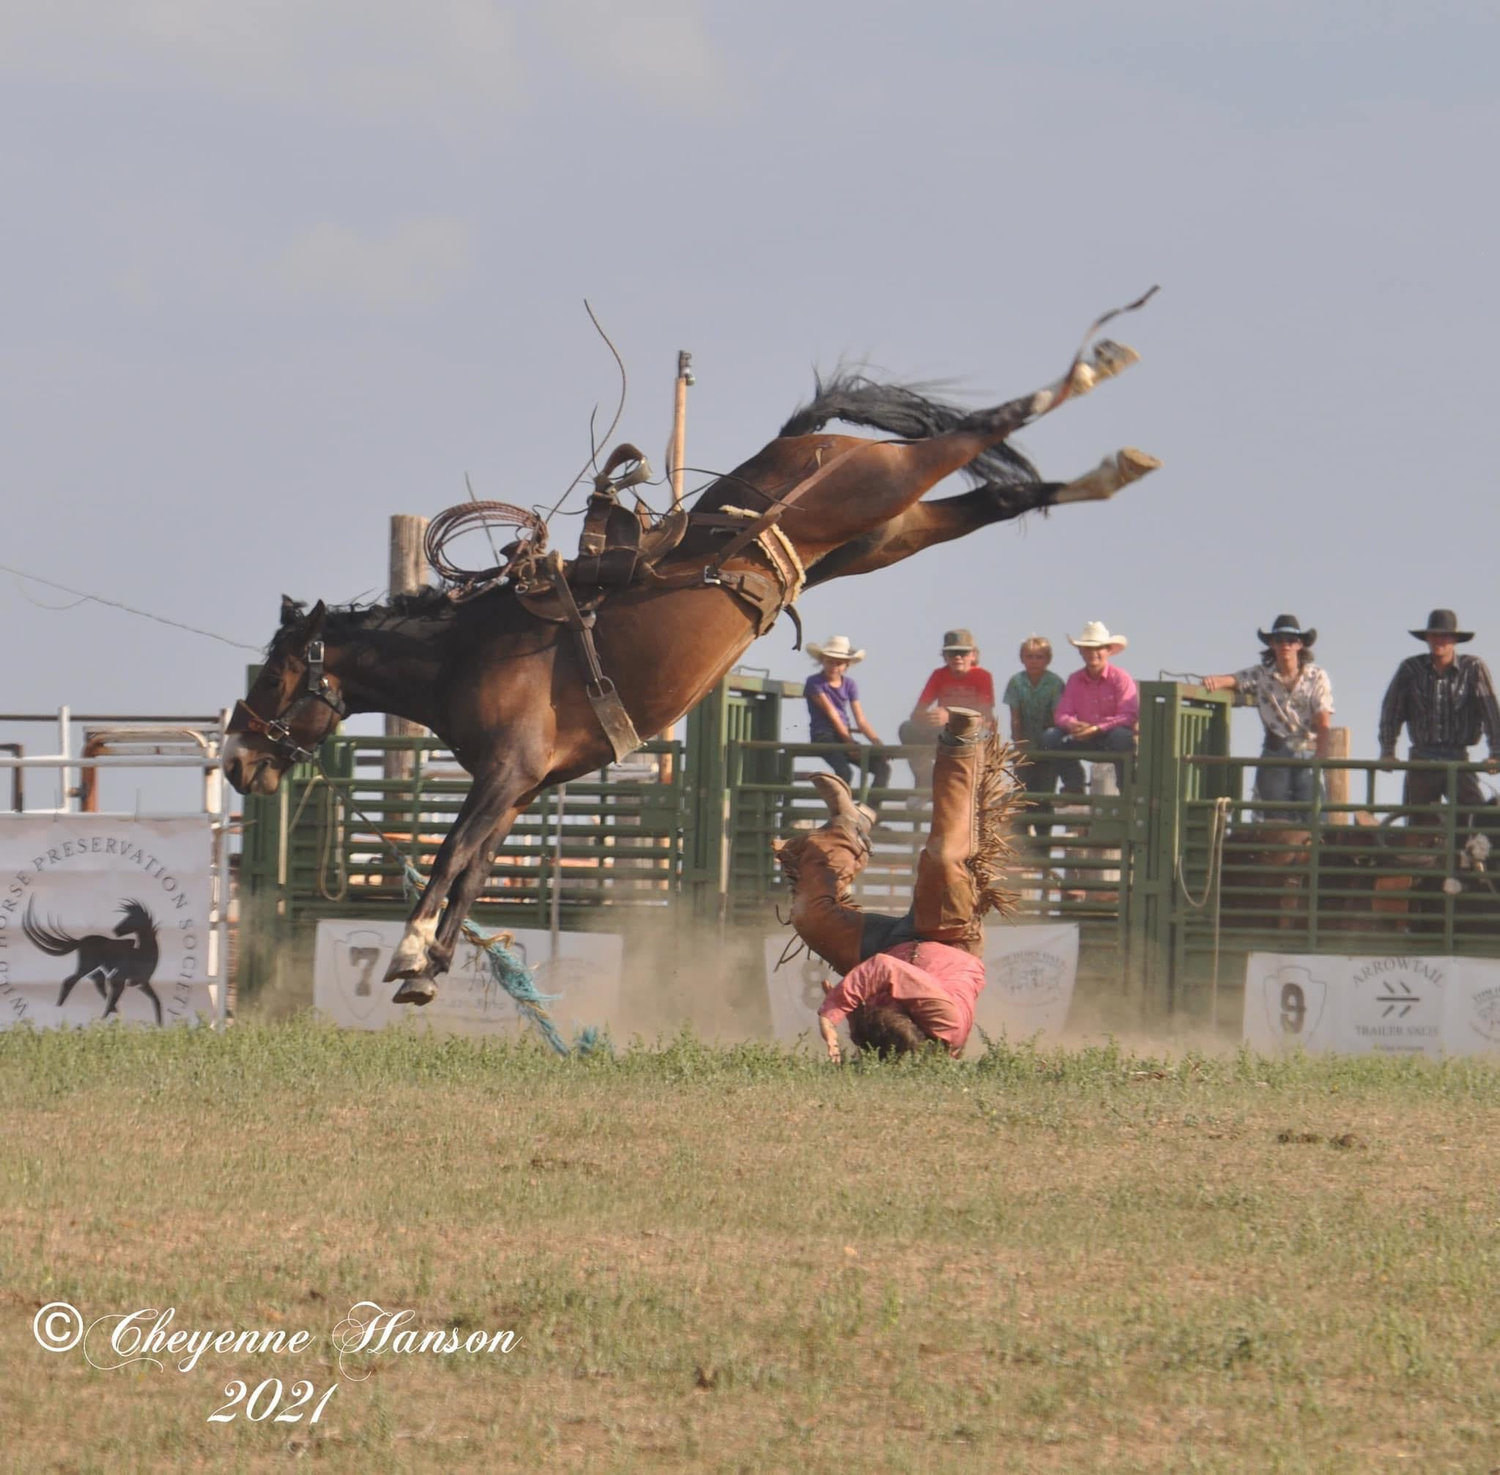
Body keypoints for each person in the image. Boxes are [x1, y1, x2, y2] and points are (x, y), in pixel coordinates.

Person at [771, 708, 1014, 1061]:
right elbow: (886, 971)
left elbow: (880, 984)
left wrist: (855, 1008)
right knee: (943, 858)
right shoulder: (947, 1026)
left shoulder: (889, 1038)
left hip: (884, 950)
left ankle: (846, 829)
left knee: (810, 916)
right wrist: (837, 1005)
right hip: (946, 937)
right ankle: (962, 745)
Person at [1201, 614, 1333, 820]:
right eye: (1280, 640)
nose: (1285, 645)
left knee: (1315, 819)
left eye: (1291, 640)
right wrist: (1214, 681)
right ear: (1272, 644)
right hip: (1276, 750)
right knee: (1274, 820)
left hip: (1308, 750)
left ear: (1300, 645)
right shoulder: (1261, 675)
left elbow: (1323, 716)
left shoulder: (1317, 676)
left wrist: (1321, 756)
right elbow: (1235, 679)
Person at [1378, 608, 1500, 814]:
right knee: (1417, 824)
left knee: (1476, 819)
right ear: (1427, 638)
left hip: (1458, 757)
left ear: (1454, 640)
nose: (1439, 640)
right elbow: (1391, 711)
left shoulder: (1473, 668)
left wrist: (1496, 753)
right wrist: (1387, 751)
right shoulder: (1411, 669)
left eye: (1444, 635)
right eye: (1434, 635)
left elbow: (1491, 713)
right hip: (1421, 758)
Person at [1039, 621, 1138, 790]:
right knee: (1050, 737)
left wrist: (1096, 728)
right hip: (1083, 736)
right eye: (1088, 648)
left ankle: (1128, 790)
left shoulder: (1121, 677)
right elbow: (1061, 714)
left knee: (1122, 738)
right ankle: (1074, 785)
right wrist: (1075, 726)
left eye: (1098, 648)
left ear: (1108, 651)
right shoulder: (1074, 679)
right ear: (1081, 652)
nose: (1093, 653)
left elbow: (1128, 715)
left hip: (1110, 737)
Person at [897, 628, 997, 788]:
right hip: (944, 731)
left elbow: (986, 719)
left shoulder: (983, 676)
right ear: (944, 656)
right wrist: (929, 718)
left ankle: (973, 785)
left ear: (973, 655)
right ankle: (925, 781)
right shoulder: (938, 675)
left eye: (963, 653)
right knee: (907, 729)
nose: (957, 657)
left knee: (979, 736)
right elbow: (916, 713)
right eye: (952, 653)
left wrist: (951, 717)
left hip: (973, 733)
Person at [802, 634, 891, 802]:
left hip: (843, 735)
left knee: (882, 768)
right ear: (822, 660)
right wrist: (849, 743)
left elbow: (861, 720)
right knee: (844, 772)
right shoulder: (814, 682)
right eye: (830, 661)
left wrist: (878, 744)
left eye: (839, 662)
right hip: (824, 735)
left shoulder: (849, 684)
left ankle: (870, 811)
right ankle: (840, 814)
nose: (834, 666)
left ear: (847, 665)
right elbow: (832, 714)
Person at [1004, 635, 1065, 799]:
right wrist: (1019, 746)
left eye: (1039, 657)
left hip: (1047, 747)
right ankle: (1020, 824)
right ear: (1022, 658)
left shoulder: (1055, 683)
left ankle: (1043, 824)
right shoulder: (1016, 682)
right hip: (1025, 744)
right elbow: (1015, 717)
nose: (1034, 661)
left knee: (1044, 795)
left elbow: (1057, 716)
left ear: (1048, 660)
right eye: (1029, 657)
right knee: (1020, 795)